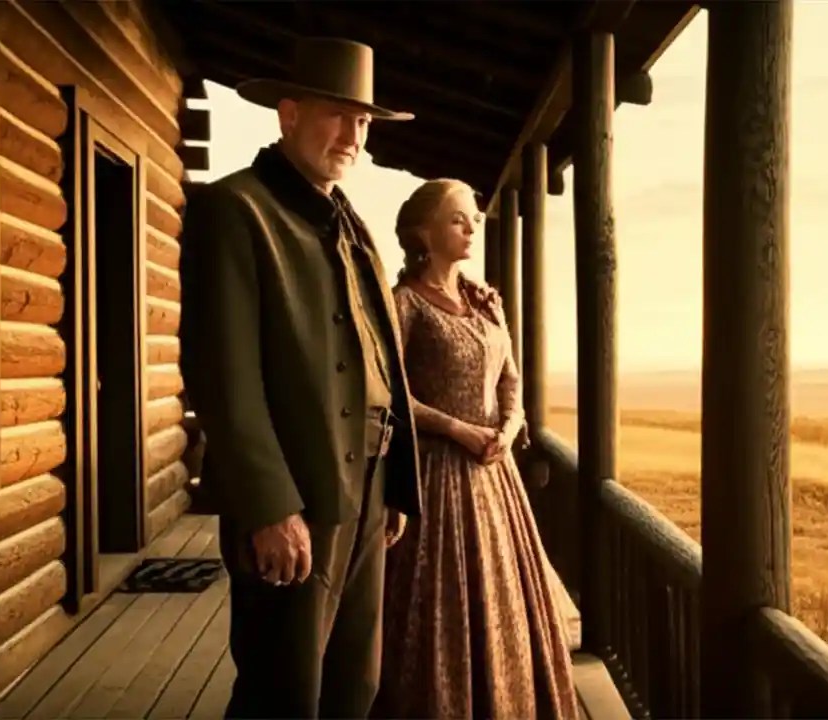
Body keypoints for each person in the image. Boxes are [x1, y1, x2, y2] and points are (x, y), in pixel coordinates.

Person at [177, 36, 422, 719]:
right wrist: (269, 506)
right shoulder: (236, 209)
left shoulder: (351, 223)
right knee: (283, 692)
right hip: (296, 490)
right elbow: (221, 373)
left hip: (368, 487)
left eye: (364, 122)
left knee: (354, 687)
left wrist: (394, 480)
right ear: (287, 114)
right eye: (336, 116)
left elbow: (379, 360)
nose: (352, 135)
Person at [373, 179, 581, 719]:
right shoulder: (406, 304)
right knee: (442, 605)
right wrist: (458, 430)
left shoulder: (484, 301)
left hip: (496, 473)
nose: (471, 226)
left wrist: (510, 427)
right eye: (458, 219)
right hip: (437, 476)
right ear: (424, 233)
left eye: (474, 218)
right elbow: (390, 393)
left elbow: (510, 376)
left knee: (507, 598)